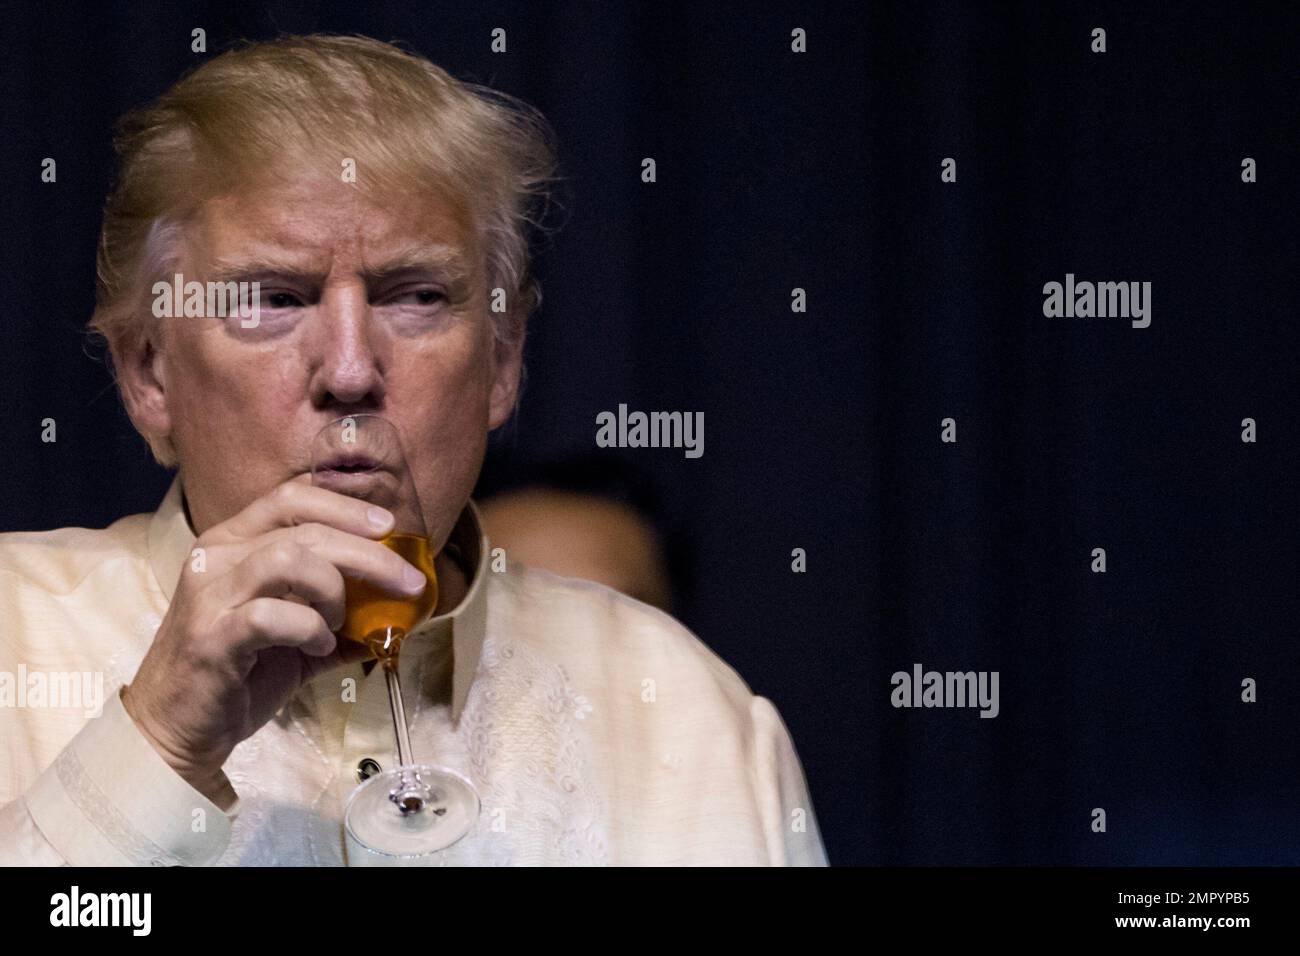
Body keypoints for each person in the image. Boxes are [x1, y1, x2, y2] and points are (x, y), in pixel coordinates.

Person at [0, 34, 827, 866]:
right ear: (149, 372)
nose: (352, 371)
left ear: (503, 360)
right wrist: (156, 745)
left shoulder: (697, 720)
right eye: (274, 299)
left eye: (418, 297)